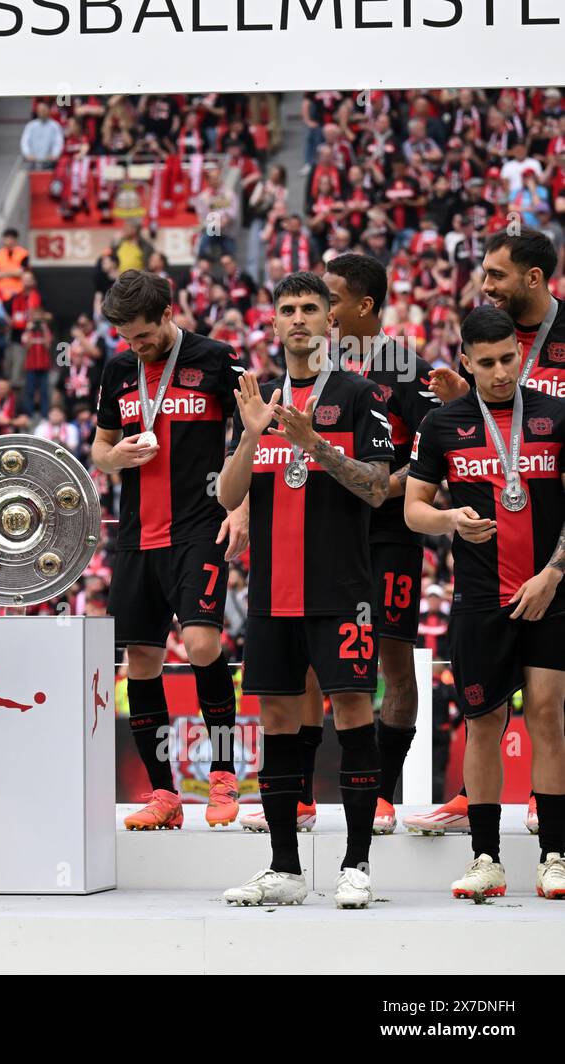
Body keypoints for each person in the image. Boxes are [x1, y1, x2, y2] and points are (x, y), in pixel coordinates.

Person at [244, 254, 443, 835]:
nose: (315, 312)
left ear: (360, 308)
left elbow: (429, 458)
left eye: (326, 300)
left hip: (387, 535)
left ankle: (380, 795)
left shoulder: (404, 369)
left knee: (389, 664)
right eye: (302, 305)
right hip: (321, 533)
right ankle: (300, 796)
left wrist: (377, 489)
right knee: (304, 670)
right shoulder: (294, 380)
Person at [219, 272, 394, 908]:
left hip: (340, 588)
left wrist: (312, 444)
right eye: (287, 308)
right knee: (276, 721)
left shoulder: (358, 395)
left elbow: (377, 486)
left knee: (352, 713)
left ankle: (357, 864)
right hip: (270, 593)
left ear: (331, 322)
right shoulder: (258, 399)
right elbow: (227, 495)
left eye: (310, 309)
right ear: (273, 323)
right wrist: (250, 433)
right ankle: (284, 868)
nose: (298, 319)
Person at [405, 305, 565, 901]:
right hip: (479, 599)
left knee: (547, 713)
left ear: (519, 356)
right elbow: (413, 507)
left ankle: (554, 854)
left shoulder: (556, 415)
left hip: (550, 592)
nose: (500, 372)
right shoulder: (444, 424)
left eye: (508, 359)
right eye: (487, 363)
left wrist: (552, 573)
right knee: (482, 724)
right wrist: (448, 517)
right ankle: (486, 858)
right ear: (466, 362)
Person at [91, 271, 248, 830]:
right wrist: (116, 458)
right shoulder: (116, 370)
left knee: (203, 643)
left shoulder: (216, 359)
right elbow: (100, 447)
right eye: (127, 338)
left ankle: (224, 776)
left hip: (199, 525)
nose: (137, 347)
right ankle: (164, 794)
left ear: (167, 313)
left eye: (144, 336)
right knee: (141, 662)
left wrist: (242, 507)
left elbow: (252, 432)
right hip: (135, 535)